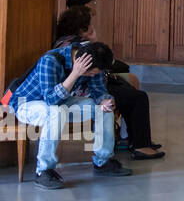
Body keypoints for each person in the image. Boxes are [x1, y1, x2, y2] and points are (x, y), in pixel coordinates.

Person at [11, 32, 131, 189]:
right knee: (55, 111)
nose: (96, 75)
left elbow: (98, 90)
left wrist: (104, 99)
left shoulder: (93, 63)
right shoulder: (49, 61)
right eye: (94, 73)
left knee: (102, 109)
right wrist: (75, 74)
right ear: (83, 64)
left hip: (61, 102)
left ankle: (103, 161)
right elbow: (51, 99)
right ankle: (43, 171)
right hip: (27, 104)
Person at [63, 0, 163, 160]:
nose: (94, 7)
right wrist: (93, 37)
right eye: (91, 3)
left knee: (130, 83)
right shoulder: (77, 39)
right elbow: (94, 64)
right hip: (86, 86)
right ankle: (141, 146)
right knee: (138, 97)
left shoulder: (72, 30)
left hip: (91, 81)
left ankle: (130, 137)